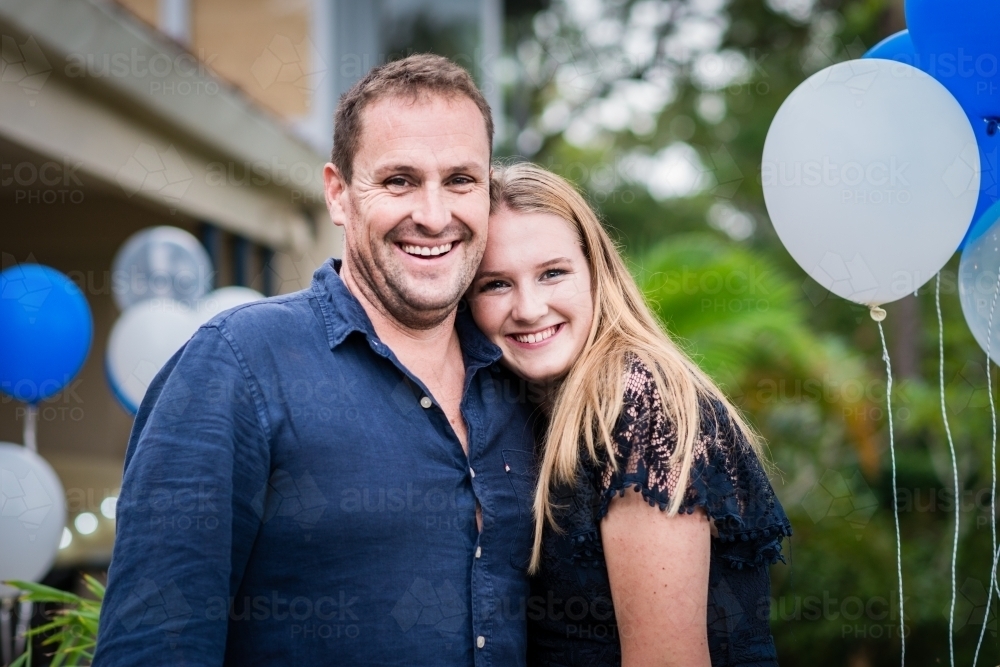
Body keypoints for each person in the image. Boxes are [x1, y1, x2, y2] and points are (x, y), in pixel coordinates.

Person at [94, 55, 539, 666]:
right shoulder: (235, 365)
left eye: (461, 180)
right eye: (399, 181)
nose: (435, 216)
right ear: (338, 194)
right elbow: (153, 648)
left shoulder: (523, 375)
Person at [467, 163, 792, 667]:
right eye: (495, 284)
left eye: (553, 273)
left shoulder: (641, 405)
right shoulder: (528, 404)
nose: (529, 308)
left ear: (597, 272)